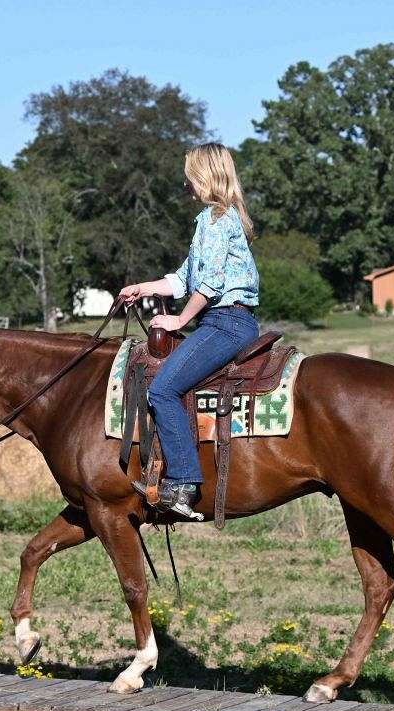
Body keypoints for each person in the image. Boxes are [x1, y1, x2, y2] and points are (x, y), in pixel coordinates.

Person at [118, 142, 260, 518]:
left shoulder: (215, 219)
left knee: (162, 388)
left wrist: (180, 321)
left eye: (189, 176)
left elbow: (208, 285)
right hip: (229, 319)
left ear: (205, 175)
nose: (185, 184)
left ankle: (182, 484)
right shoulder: (216, 220)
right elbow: (185, 278)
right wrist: (144, 287)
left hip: (225, 321)